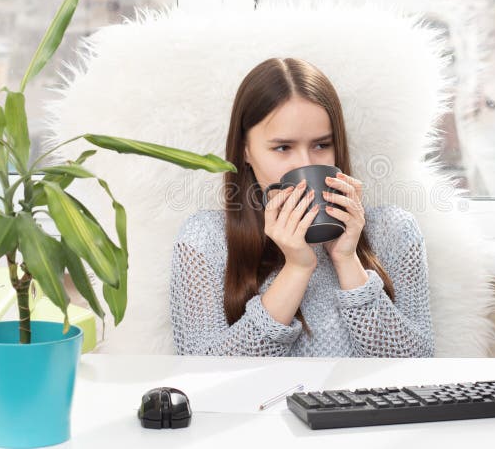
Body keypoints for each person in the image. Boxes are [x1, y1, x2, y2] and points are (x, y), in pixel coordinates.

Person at [169, 57, 434, 357]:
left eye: (321, 145)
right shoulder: (205, 239)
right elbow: (202, 371)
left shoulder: (393, 230)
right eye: (283, 148)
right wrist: (297, 268)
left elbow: (416, 364)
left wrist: (346, 259)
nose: (305, 165)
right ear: (245, 151)